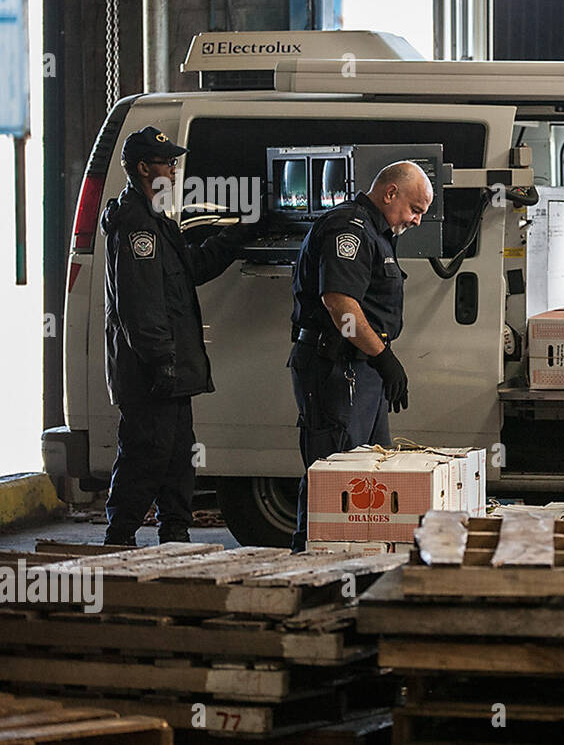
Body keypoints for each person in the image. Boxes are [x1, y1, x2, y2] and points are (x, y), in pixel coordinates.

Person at [101, 126, 258, 546]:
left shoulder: (158, 221)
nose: (173, 171)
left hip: (171, 368)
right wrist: (163, 361)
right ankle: (119, 538)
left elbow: (193, 269)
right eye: (166, 163)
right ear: (141, 168)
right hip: (152, 371)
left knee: (178, 456)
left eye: (173, 162)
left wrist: (238, 233)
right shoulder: (137, 228)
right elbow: (140, 305)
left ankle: (175, 533)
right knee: (145, 455)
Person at [288, 162, 432, 552]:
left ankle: (359, 558)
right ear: (390, 194)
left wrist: (380, 358)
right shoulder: (349, 229)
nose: (417, 220)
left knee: (370, 473)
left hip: (359, 367)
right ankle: (310, 558)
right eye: (414, 209)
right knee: (334, 474)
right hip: (335, 367)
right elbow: (340, 306)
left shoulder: (378, 233)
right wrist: (384, 357)